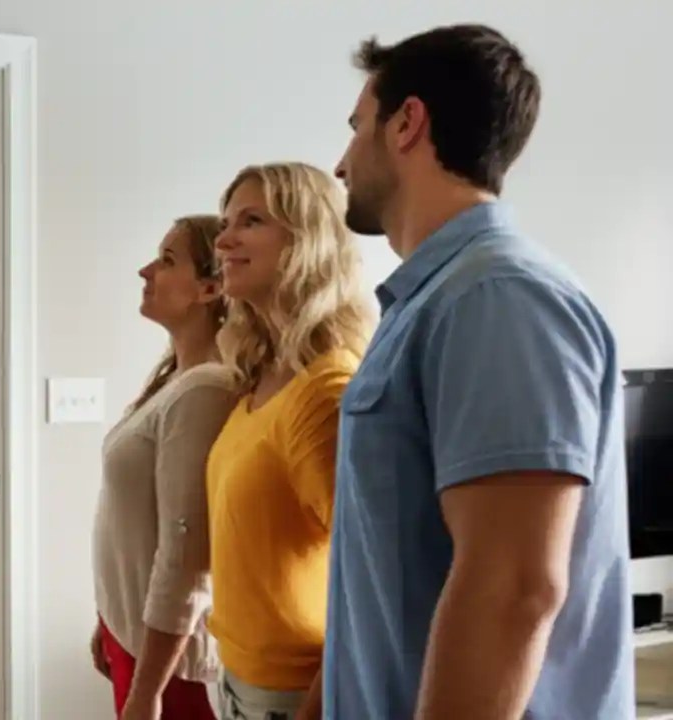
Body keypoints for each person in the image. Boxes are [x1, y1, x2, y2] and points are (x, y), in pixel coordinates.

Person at [326, 24, 635, 719]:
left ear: (407, 123)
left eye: (356, 127)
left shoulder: (495, 297)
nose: (341, 163)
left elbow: (515, 589)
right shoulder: (433, 301)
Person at [205, 162, 374, 720]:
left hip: (292, 692)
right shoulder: (264, 374)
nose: (224, 239)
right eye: (227, 221)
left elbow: (371, 575)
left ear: (308, 241)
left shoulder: (325, 390)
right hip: (238, 677)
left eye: (250, 221)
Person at [91, 215, 235, 720]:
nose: (145, 271)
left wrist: (148, 687)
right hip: (131, 636)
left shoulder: (206, 390)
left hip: (168, 665)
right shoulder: (177, 381)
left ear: (210, 288)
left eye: (167, 260)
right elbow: (132, 525)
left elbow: (186, 554)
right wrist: (107, 619)